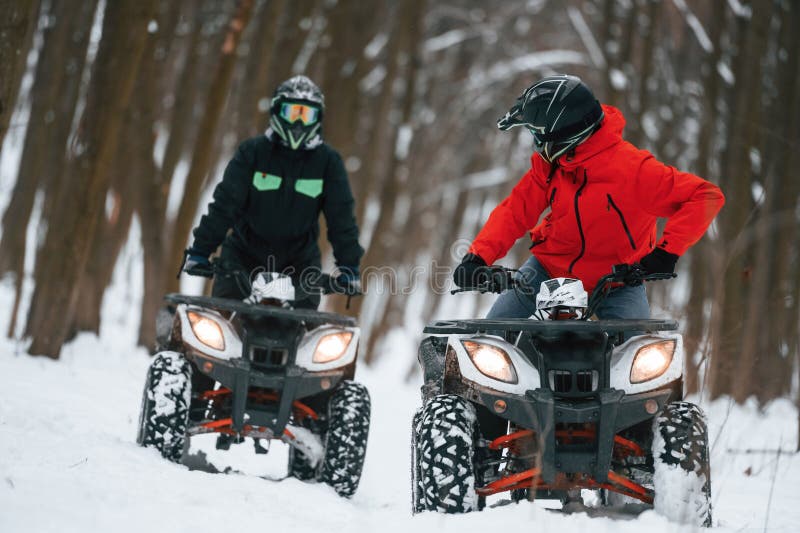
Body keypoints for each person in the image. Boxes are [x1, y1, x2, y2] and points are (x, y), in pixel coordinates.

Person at [453, 74, 725, 321]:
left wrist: (666, 252)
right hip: (547, 270)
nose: (537, 145)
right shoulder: (551, 166)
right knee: (491, 337)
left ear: (565, 136)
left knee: (638, 357)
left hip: (617, 283)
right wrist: (478, 258)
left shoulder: (634, 171)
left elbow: (705, 196)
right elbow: (515, 211)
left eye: (539, 136)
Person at [183, 75, 363, 308]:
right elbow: (224, 204)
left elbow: (342, 218)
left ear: (318, 118)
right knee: (219, 325)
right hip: (242, 257)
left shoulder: (328, 163)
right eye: (292, 112)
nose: (299, 122)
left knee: (307, 335)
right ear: (278, 112)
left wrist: (349, 267)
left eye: (306, 114)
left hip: (300, 264)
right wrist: (200, 251)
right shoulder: (252, 152)